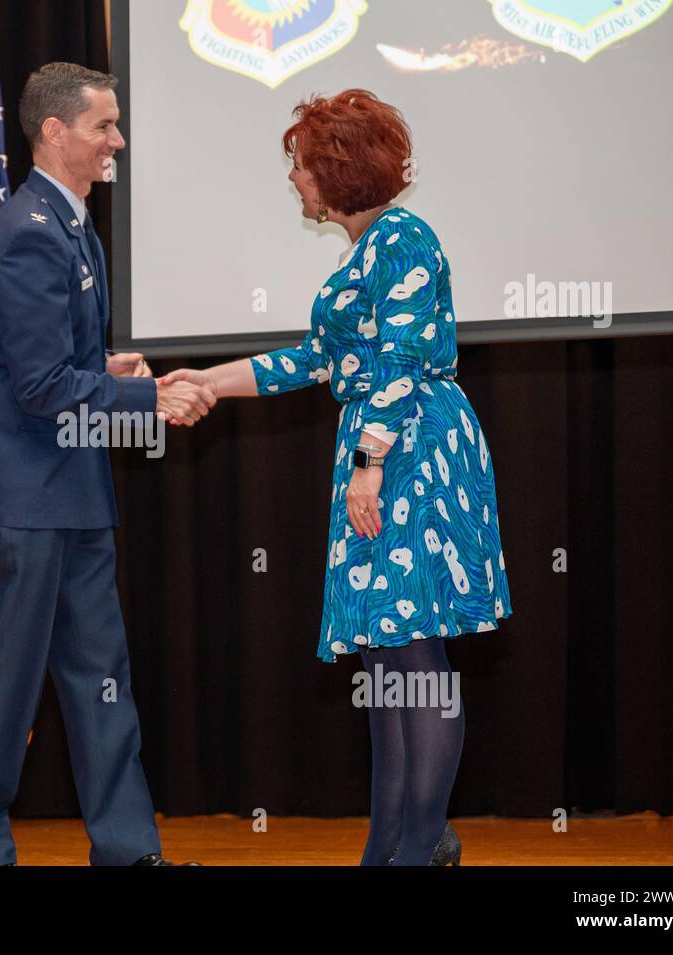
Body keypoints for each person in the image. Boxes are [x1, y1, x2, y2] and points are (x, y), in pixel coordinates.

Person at [161, 89, 512, 866]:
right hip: (383, 448)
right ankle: (388, 847)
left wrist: (369, 465)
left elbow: (398, 362)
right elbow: (317, 360)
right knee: (387, 659)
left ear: (337, 168)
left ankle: (421, 846)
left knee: (416, 659)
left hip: (411, 451)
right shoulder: (366, 251)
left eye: (301, 164)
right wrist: (210, 381)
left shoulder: (403, 239)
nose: (294, 179)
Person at [0, 62, 214, 866]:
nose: (117, 140)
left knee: (103, 687)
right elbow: (38, 388)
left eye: (116, 123)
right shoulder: (28, 230)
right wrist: (151, 401)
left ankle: (128, 852)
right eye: (104, 126)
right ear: (54, 133)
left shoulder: (72, 223)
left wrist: (110, 368)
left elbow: (61, 365)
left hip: (77, 494)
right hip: (28, 499)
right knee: (5, 687)